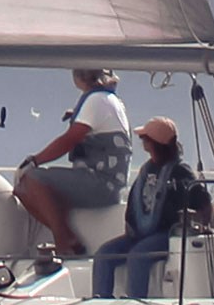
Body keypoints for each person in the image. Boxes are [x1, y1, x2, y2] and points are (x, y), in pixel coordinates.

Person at [11, 67, 137, 264]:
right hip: (106, 183)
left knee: (32, 178)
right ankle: (69, 238)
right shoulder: (107, 99)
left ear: (78, 77)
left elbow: (70, 139)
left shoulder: (96, 101)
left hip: (102, 183)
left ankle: (64, 242)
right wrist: (75, 115)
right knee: (21, 190)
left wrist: (34, 161)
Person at [89, 115, 208, 300]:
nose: (142, 140)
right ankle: (100, 298)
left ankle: (135, 301)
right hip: (139, 233)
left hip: (165, 234)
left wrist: (199, 223)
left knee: (139, 255)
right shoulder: (147, 170)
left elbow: (203, 201)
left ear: (155, 143)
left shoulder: (180, 172)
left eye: (145, 138)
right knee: (104, 254)